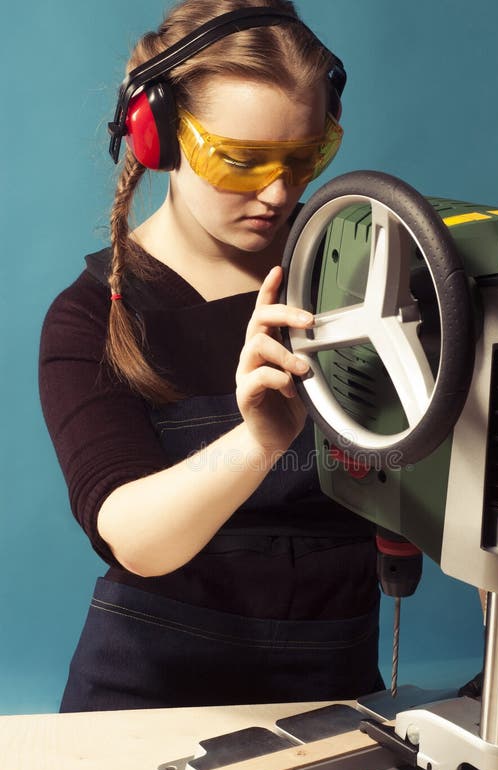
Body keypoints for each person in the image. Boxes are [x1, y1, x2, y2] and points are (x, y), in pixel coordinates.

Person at [39, 0, 383, 712]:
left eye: (304, 158)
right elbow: (135, 537)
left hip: (334, 694)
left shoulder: (360, 286)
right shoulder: (89, 319)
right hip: (147, 701)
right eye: (241, 161)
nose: (278, 194)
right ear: (156, 136)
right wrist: (260, 439)